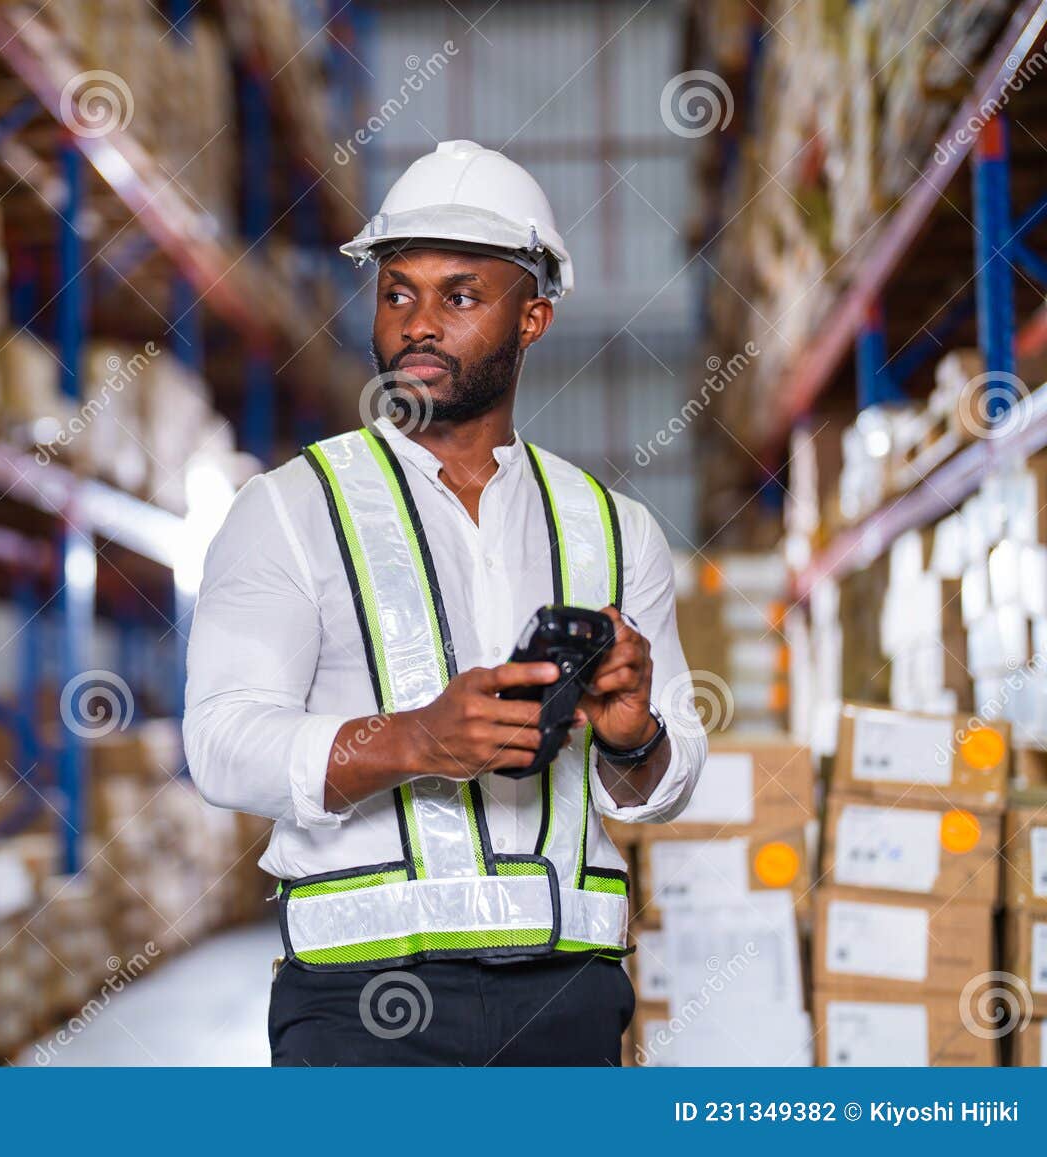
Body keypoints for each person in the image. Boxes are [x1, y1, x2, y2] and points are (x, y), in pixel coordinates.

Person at [183, 140, 706, 1066]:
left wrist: (635, 733)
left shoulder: (615, 529)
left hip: (569, 1002)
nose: (418, 323)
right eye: (397, 292)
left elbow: (663, 788)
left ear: (533, 317)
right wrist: (412, 740)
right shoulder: (290, 509)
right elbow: (221, 742)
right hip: (362, 1009)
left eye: (459, 295)